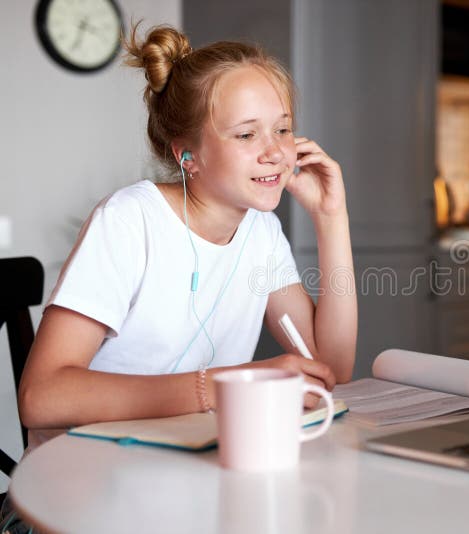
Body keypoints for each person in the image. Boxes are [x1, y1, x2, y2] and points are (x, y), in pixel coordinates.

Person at [15, 23, 357, 445]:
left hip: (185, 479)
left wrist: (331, 217)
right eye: (247, 134)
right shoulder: (129, 221)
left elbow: (330, 368)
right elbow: (40, 397)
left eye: (282, 129)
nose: (275, 152)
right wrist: (223, 384)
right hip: (76, 491)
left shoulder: (261, 232)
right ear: (187, 155)